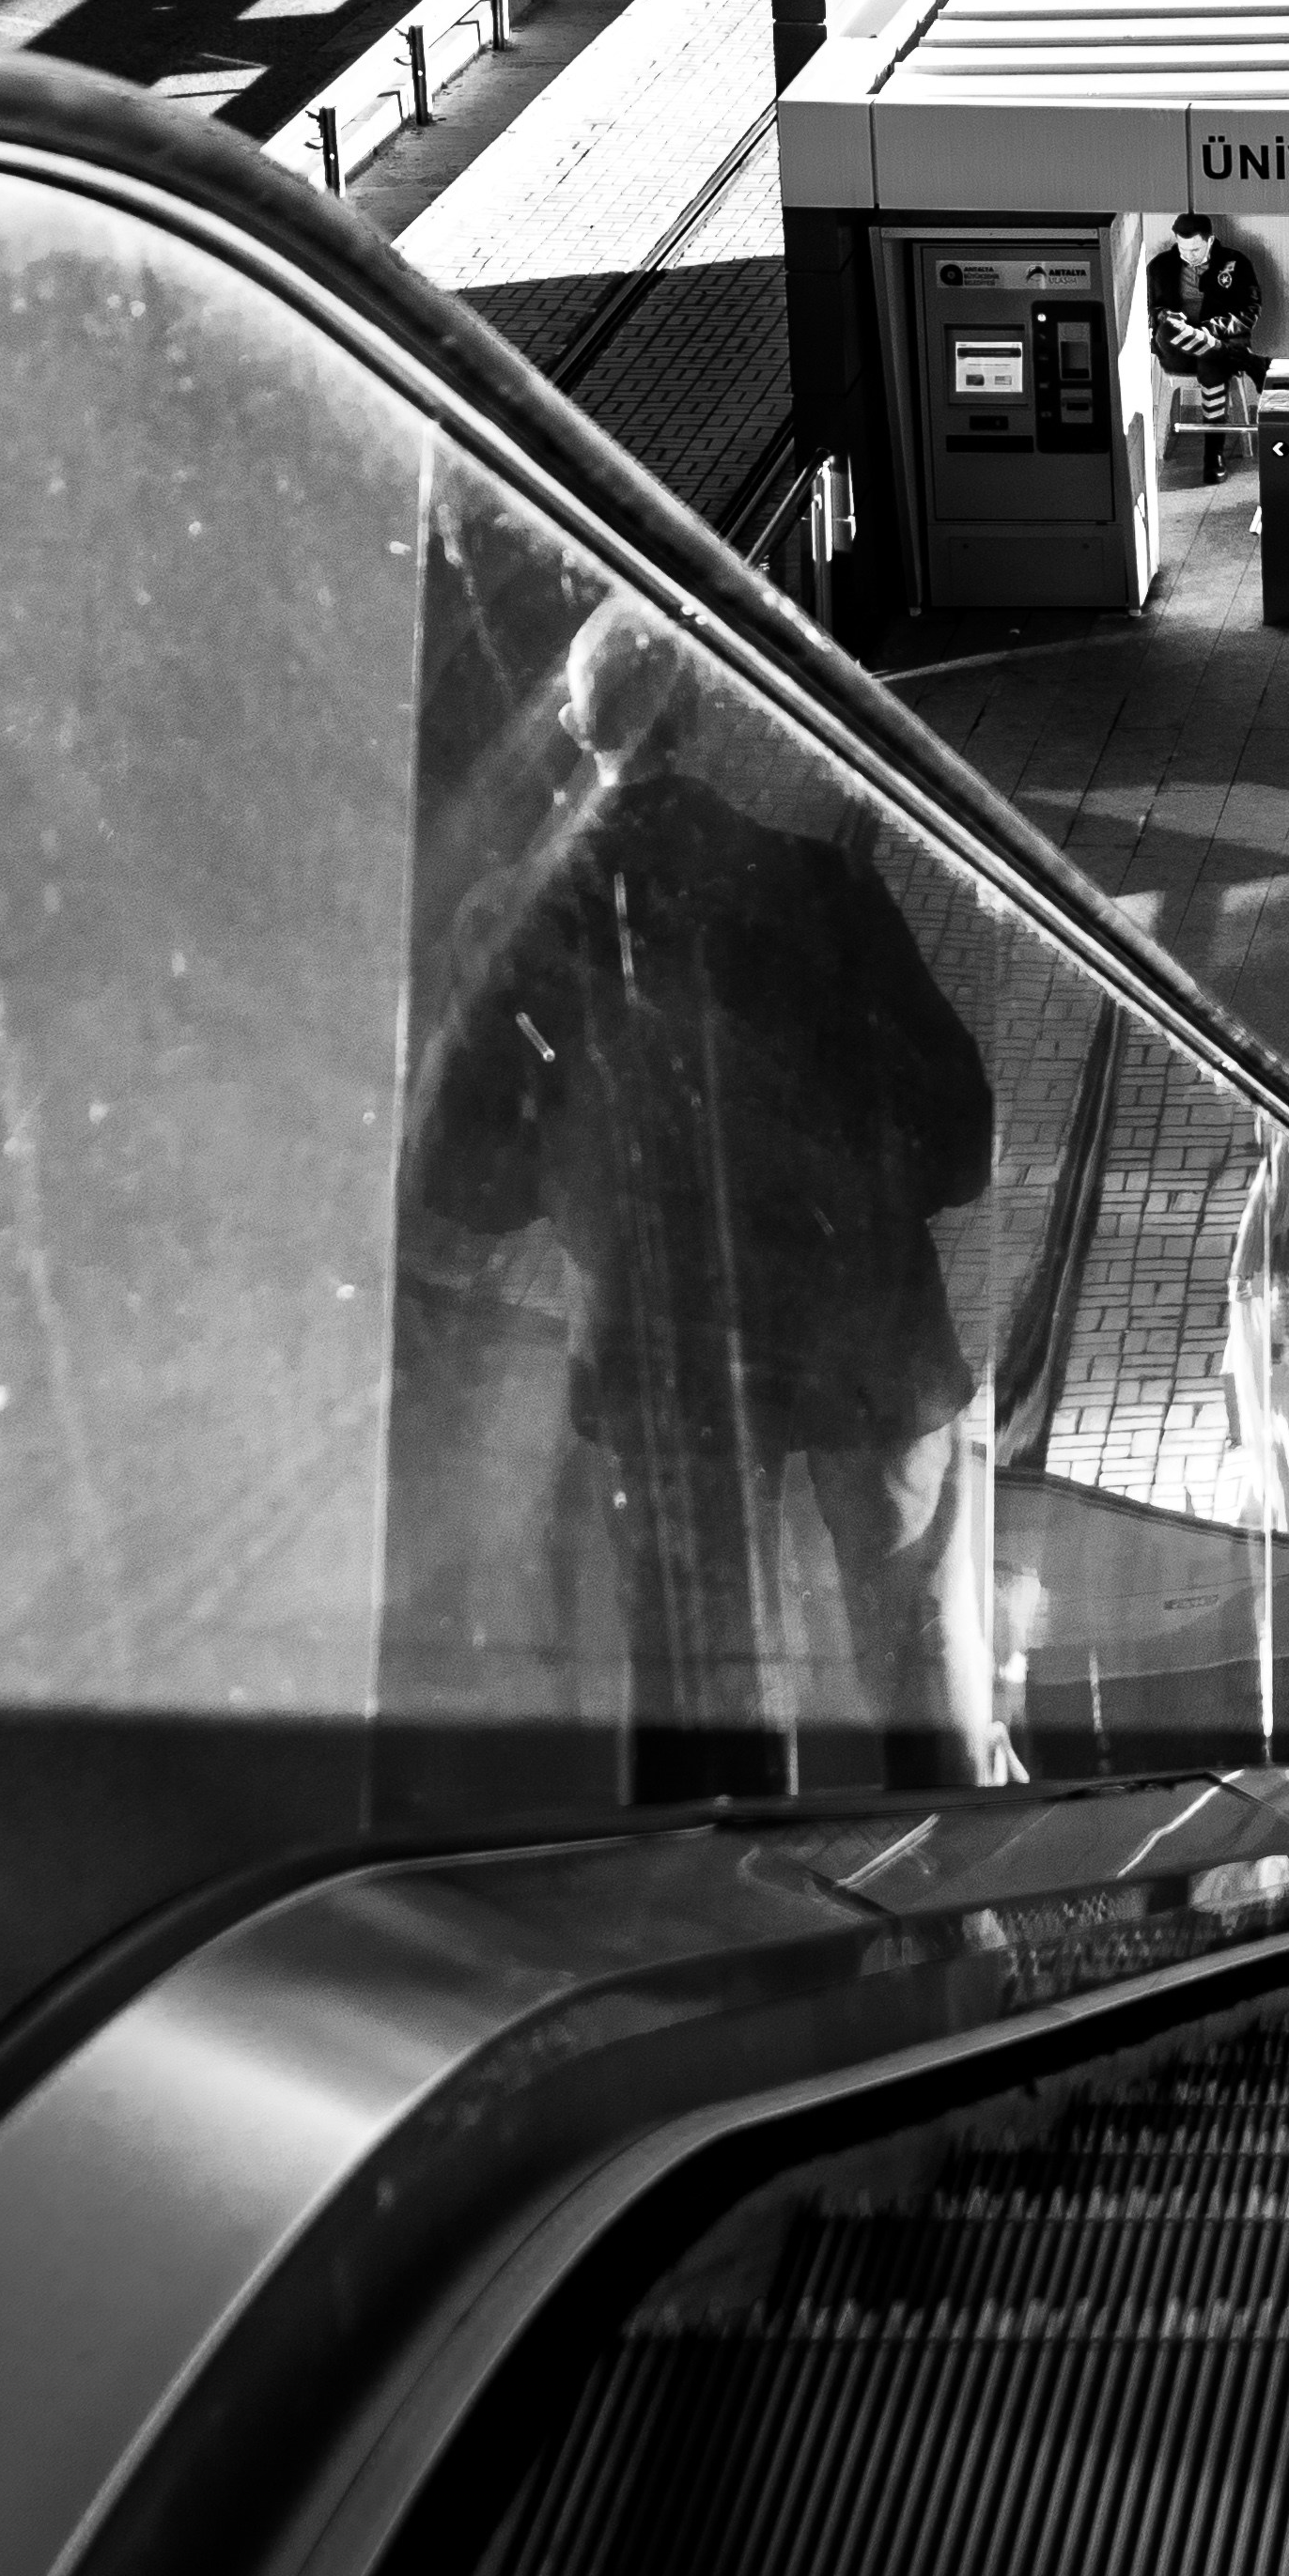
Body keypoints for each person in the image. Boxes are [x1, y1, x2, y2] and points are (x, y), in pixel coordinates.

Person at [413, 605, 1004, 1798]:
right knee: (914, 1633)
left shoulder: (516, 921)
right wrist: (852, 1192)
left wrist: (580, 1187)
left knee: (708, 1671)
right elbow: (958, 1129)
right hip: (864, 1333)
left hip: (664, 1353)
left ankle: (741, 1882)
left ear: (576, 726)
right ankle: (959, 1869)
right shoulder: (821, 886)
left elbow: (450, 1170)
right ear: (697, 715)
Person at [1143, 210, 1265, 486]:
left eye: (1196, 250)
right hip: (1177, 350)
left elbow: (1250, 312)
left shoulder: (1235, 263)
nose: (1189, 256)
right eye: (1183, 249)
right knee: (1168, 329)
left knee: (1211, 362)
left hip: (1217, 346)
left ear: (1210, 241)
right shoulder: (1160, 266)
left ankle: (1214, 455)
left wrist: (1210, 329)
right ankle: (1248, 362)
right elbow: (1147, 310)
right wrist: (1164, 315)